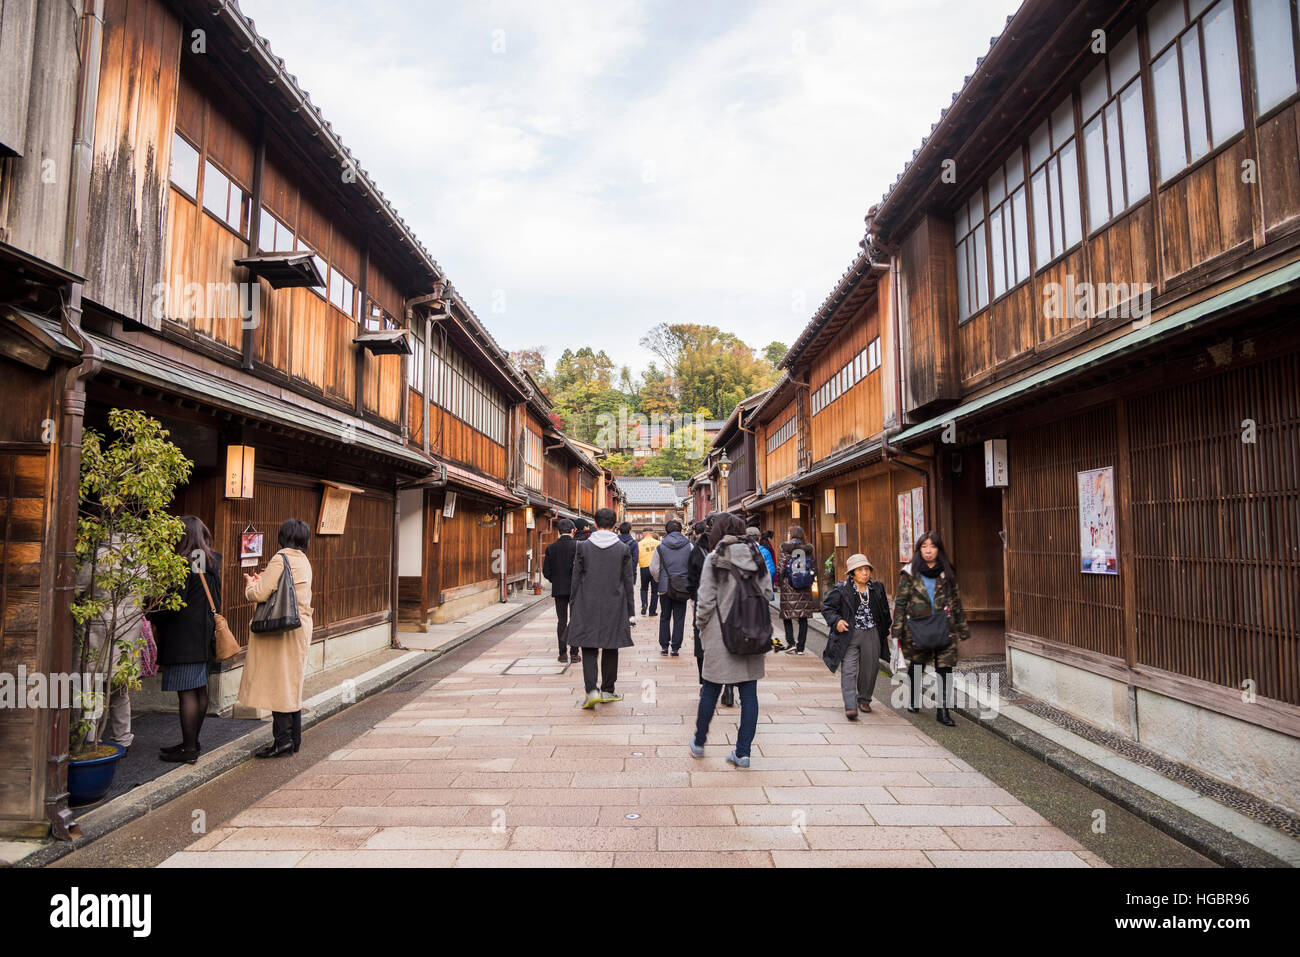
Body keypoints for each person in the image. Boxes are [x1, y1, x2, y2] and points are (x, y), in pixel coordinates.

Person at [689, 512, 771, 767]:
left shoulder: (716, 558)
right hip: (753, 631)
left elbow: (705, 600)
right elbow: (768, 593)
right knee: (749, 694)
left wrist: (700, 627)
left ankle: (700, 742)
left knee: (711, 689)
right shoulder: (756, 556)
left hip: (720, 632)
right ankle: (743, 753)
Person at [148, 516, 221, 764]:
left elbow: (173, 605)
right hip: (203, 636)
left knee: (187, 692)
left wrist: (151, 613)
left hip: (183, 638)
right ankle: (192, 741)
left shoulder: (183, 564)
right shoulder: (210, 561)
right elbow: (216, 600)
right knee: (199, 690)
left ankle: (189, 748)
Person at [239, 518, 314, 757]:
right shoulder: (304, 560)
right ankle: (293, 739)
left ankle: (282, 741)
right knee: (291, 683)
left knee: (280, 683)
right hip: (300, 626)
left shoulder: (281, 558)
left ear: (283, 537)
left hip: (284, 629)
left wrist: (251, 585)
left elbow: (260, 593)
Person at [891, 530, 969, 726]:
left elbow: (956, 600)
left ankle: (943, 711)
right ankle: (914, 698)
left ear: (938, 549)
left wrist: (962, 628)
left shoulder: (947, 571)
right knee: (917, 666)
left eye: (932, 547)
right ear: (919, 550)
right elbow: (901, 602)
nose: (928, 551)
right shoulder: (910, 572)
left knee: (945, 669)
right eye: (924, 547)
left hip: (945, 626)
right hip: (918, 627)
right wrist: (896, 631)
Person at [566, 507, 637, 709]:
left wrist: (573, 603)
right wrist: (630, 612)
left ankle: (592, 690)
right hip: (614, 603)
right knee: (610, 645)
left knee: (588, 646)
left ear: (595, 524)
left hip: (586, 601)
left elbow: (576, 579)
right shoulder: (622, 549)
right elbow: (627, 582)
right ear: (614, 525)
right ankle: (608, 689)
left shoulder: (583, 547)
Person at [821, 554, 893, 720]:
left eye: (867, 569)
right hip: (849, 635)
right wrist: (837, 621)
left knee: (870, 668)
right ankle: (850, 705)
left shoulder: (876, 589)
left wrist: (885, 628)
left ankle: (864, 699)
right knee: (849, 670)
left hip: (872, 634)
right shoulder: (842, 590)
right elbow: (827, 608)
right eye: (860, 570)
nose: (865, 573)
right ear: (852, 573)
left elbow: (884, 611)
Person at [648, 519, 692, 657]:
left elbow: (653, 568)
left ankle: (664, 645)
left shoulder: (660, 547)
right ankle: (676, 647)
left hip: (665, 586)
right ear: (680, 530)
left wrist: (659, 579)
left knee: (665, 616)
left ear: (667, 531)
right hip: (682, 586)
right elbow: (693, 566)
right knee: (679, 617)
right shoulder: (690, 546)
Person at [542, 518, 580, 664]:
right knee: (575, 619)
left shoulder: (551, 548)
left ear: (559, 531)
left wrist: (555, 580)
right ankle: (575, 653)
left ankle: (562, 653)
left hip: (559, 589)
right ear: (572, 530)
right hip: (575, 589)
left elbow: (546, 571)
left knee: (561, 620)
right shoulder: (578, 546)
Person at [776, 525, 817, 655]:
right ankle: (801, 648)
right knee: (802, 617)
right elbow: (814, 568)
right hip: (804, 586)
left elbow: (781, 568)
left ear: (791, 535)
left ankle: (791, 643)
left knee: (787, 616)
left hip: (789, 585)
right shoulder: (809, 549)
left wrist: (780, 581)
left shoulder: (785, 548)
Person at [748, 526, 781, 649]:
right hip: (761, 590)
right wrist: (767, 588)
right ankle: (761, 640)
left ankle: (750, 640)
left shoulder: (743, 550)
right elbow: (771, 571)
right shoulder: (765, 551)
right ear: (758, 538)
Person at [687, 520, 709, 683]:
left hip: (702, 601)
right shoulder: (734, 549)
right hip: (728, 605)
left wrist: (694, 597)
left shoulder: (697, 549)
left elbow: (691, 579)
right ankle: (729, 686)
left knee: (701, 640)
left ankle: (704, 681)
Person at [637, 529, 661, 617]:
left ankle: (644, 603)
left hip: (644, 568)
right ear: (651, 533)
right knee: (655, 591)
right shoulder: (658, 543)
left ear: (644, 534)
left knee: (644, 588)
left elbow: (637, 556)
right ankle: (652, 611)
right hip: (655, 568)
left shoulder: (639, 544)